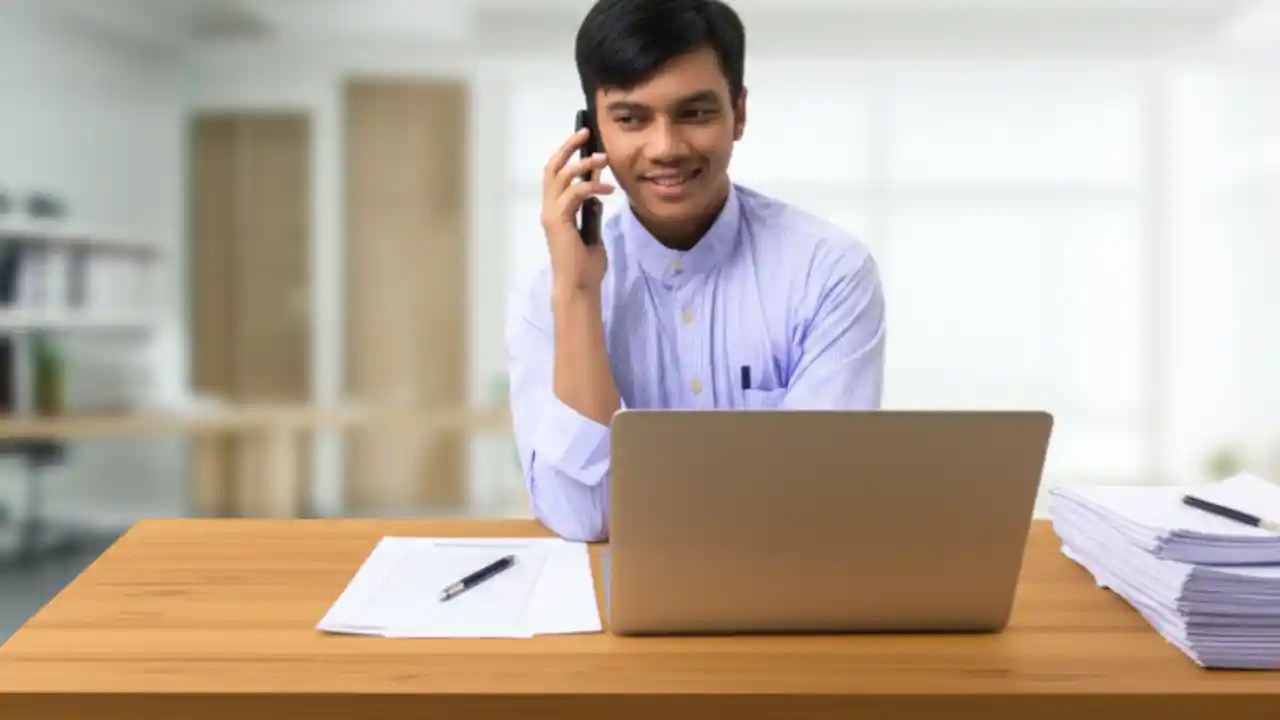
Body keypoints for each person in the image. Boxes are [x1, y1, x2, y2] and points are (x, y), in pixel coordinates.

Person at [506, 0, 886, 541]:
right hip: (615, 613)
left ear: (740, 113)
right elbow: (585, 518)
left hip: (781, 594)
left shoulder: (827, 271)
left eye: (695, 113)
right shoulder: (546, 295)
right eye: (631, 119)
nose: (666, 148)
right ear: (592, 131)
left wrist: (646, 504)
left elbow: (818, 500)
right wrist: (579, 293)